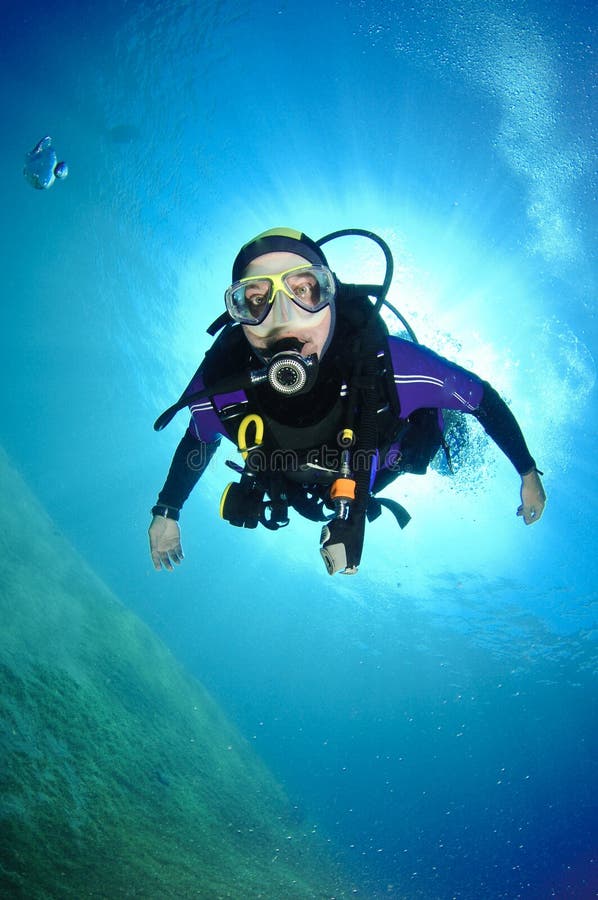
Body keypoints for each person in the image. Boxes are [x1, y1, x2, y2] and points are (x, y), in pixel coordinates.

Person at [149, 227, 546, 575]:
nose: (283, 317)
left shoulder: (394, 367)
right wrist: (167, 509)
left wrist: (528, 473)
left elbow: (479, 398)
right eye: (255, 299)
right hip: (315, 482)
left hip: (403, 445)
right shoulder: (221, 388)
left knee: (447, 447)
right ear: (238, 316)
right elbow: (199, 439)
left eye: (304, 290)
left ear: (331, 295)